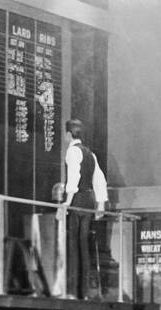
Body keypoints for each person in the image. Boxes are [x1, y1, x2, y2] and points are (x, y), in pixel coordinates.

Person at [60, 117, 108, 299]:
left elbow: (73, 177)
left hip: (77, 199)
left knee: (73, 245)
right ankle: (84, 291)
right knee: (84, 245)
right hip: (89, 200)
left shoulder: (72, 151)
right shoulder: (90, 154)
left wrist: (67, 201)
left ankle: (72, 291)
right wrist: (101, 205)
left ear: (67, 134)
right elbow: (99, 180)